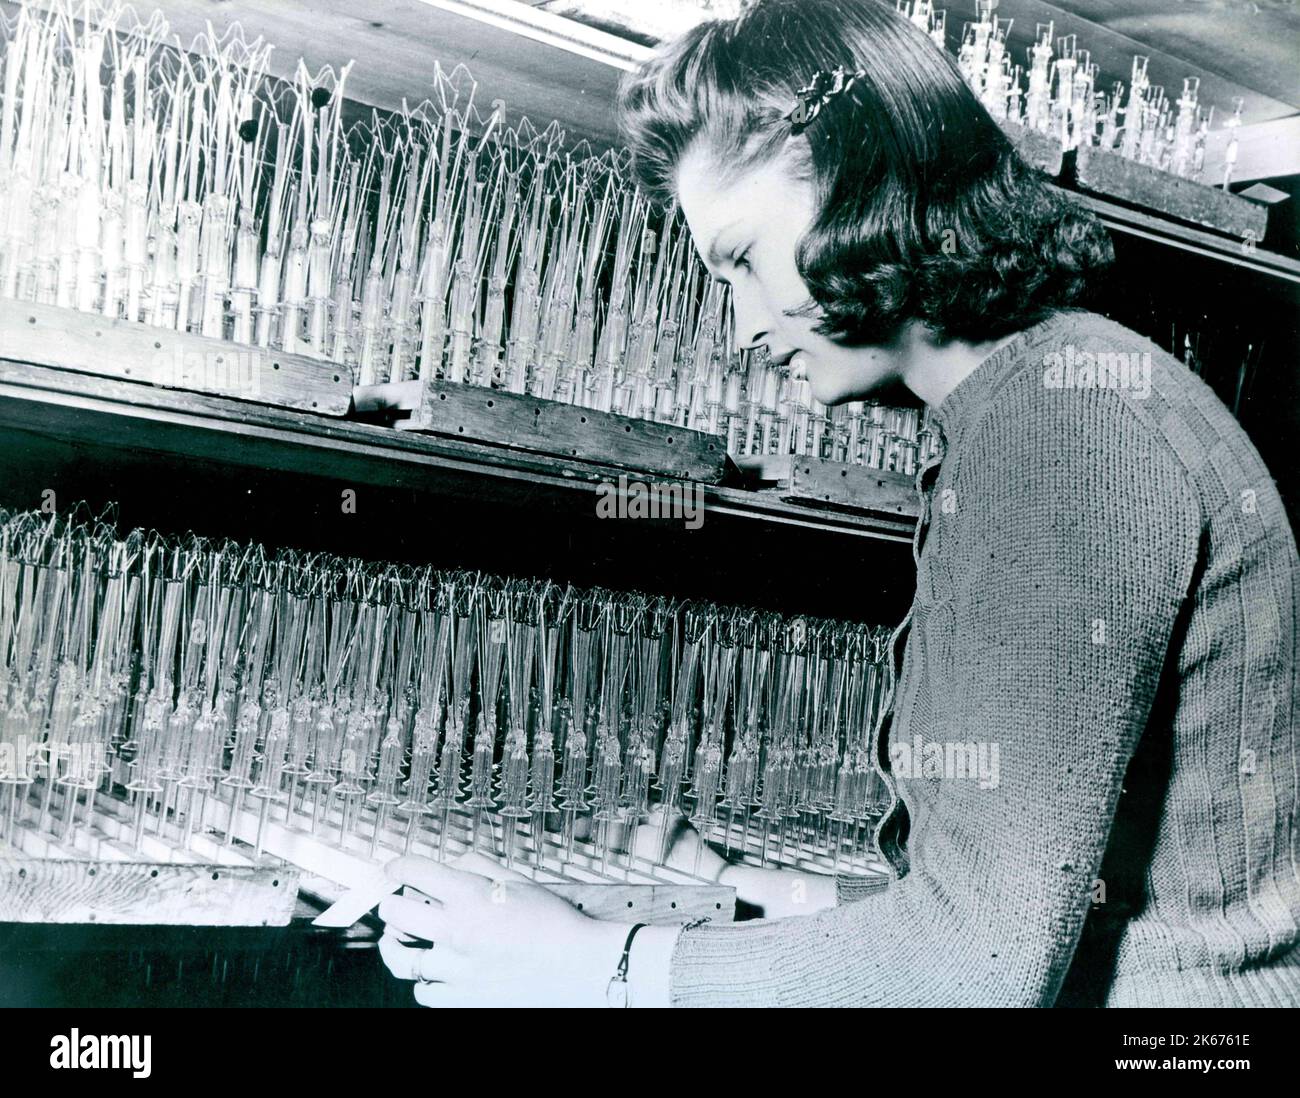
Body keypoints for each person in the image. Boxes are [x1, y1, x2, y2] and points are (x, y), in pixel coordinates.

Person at [377, 0, 1300, 1006]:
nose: (739, 325)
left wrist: (604, 970)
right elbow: (1051, 906)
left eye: (740, 256)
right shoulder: (1062, 394)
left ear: (869, 190)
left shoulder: (1063, 427)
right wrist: (756, 889)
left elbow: (975, 979)